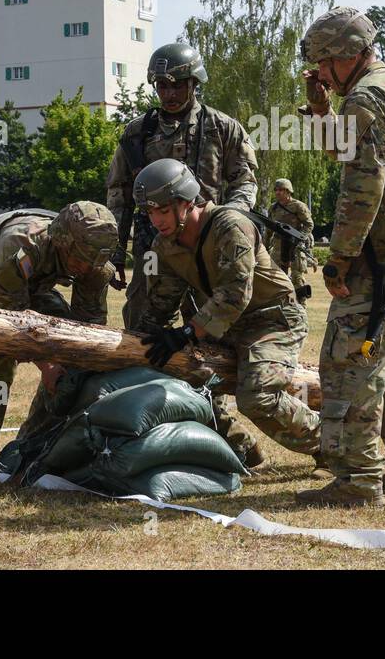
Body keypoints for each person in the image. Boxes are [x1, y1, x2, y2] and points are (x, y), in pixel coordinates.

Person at [294, 6, 385, 507]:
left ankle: (357, 480)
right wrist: (319, 113)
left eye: (322, 66)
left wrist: (339, 259)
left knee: (348, 362)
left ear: (344, 56)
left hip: (379, 257)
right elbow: (352, 152)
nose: (320, 76)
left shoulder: (364, 98)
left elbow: (362, 184)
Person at [104, 42, 264, 466]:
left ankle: (233, 439)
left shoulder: (223, 128)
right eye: (161, 84)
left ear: (195, 82)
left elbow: (246, 180)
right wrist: (115, 250)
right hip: (155, 254)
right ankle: (146, 428)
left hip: (210, 249)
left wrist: (231, 219)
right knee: (146, 337)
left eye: (177, 84)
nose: (169, 92)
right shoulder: (137, 133)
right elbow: (118, 195)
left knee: (211, 342)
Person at [131, 159, 320, 462]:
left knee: (257, 396)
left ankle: (330, 446)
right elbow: (161, 303)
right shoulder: (164, 245)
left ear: (187, 201)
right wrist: (139, 342)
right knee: (189, 383)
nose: (156, 220)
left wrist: (188, 332)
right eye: (150, 212)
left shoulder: (230, 225)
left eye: (163, 210)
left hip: (274, 318)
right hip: (226, 328)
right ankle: (242, 451)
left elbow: (235, 293)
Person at [0, 202, 117, 468]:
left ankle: (32, 445)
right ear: (62, 242)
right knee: (0, 359)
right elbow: (13, 323)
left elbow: (89, 332)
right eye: (79, 260)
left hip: (31, 290)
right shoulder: (20, 245)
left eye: (93, 263)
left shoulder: (93, 263)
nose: (86, 268)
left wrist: (71, 361)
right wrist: (47, 364)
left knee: (74, 360)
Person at [265, 178, 314, 302]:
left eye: (280, 190)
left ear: (288, 191)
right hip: (277, 247)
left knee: (297, 277)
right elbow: (269, 230)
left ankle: (301, 304)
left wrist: (300, 238)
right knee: (276, 277)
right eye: (276, 190)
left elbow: (309, 225)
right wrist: (263, 248)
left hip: (295, 246)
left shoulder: (298, 206)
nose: (277, 192)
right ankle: (282, 304)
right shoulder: (273, 208)